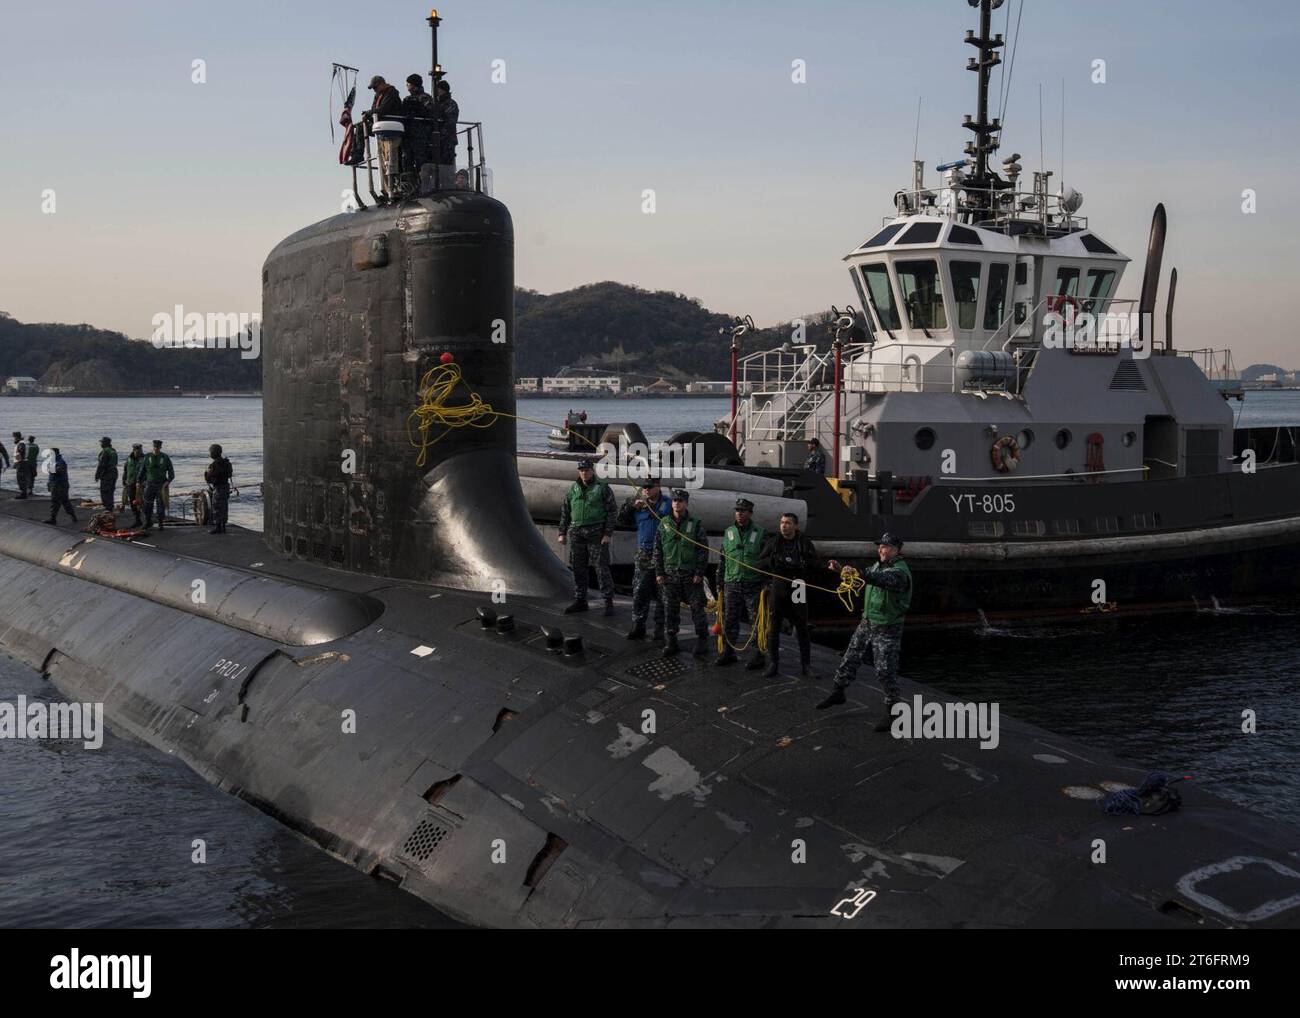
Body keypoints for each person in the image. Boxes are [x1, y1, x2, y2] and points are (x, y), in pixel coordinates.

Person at [817, 532, 914, 731]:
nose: (880, 549)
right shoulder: (879, 565)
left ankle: (894, 711)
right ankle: (838, 691)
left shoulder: (899, 572)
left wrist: (856, 572)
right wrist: (840, 570)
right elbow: (864, 577)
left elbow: (876, 578)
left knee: (885, 670)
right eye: (880, 546)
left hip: (887, 626)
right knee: (850, 657)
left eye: (885, 546)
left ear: (897, 550)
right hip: (868, 621)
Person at [758, 512, 840, 678]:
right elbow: (759, 563)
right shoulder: (773, 543)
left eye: (788, 523)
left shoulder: (804, 543)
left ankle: (806, 665)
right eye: (782, 522)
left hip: (797, 586)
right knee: (773, 627)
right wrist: (772, 563)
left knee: (802, 626)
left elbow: (816, 565)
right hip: (779, 586)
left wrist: (829, 570)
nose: (784, 526)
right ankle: (773, 664)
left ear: (795, 526)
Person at [653, 489, 710, 658]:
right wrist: (659, 572)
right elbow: (658, 550)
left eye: (680, 501)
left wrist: (699, 573)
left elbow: (703, 550)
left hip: (690, 575)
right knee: (670, 609)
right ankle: (671, 641)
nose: (677, 503)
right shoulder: (664, 523)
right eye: (675, 500)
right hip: (670, 575)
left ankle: (702, 640)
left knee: (697, 608)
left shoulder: (695, 524)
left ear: (686, 503)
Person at [557, 458, 617, 615]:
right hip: (577, 533)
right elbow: (565, 511)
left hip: (596, 533)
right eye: (581, 470)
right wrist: (562, 532)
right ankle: (580, 600)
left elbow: (612, 511)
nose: (584, 473)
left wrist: (607, 533)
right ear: (579, 472)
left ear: (592, 471)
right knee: (578, 568)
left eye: (587, 470)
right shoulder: (573, 489)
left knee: (601, 568)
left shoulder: (602, 489)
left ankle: (608, 601)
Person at [617, 476, 672, 642]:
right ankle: (638, 625)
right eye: (645, 487)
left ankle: (659, 628)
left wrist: (647, 507)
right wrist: (631, 506)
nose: (647, 490)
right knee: (640, 590)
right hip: (644, 553)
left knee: (663, 593)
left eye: (650, 487)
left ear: (658, 487)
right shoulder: (637, 503)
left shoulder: (668, 502)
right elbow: (622, 520)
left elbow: (665, 515)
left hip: (664, 554)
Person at [717, 498, 768, 669]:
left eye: (743, 511)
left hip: (753, 583)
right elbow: (722, 559)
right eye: (737, 510)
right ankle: (728, 652)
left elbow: (767, 561)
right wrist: (719, 581)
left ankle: (759, 654)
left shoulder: (760, 533)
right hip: (732, 582)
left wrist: (766, 583)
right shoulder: (729, 532)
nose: (739, 513)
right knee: (730, 619)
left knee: (756, 621)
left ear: (750, 513)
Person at [367, 75, 403, 195]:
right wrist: (369, 113)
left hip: (393, 131)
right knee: (383, 159)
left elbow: (383, 110)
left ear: (382, 84)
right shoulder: (378, 95)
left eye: (375, 87)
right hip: (382, 132)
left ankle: (395, 187)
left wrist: (369, 113)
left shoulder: (391, 92)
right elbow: (374, 110)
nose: (374, 90)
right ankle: (388, 190)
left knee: (391, 158)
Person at [401, 73, 437, 171]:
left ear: (413, 85)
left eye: (408, 84)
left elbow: (430, 113)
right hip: (409, 135)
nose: (407, 86)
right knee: (407, 160)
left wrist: (418, 110)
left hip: (421, 136)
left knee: (421, 162)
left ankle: (422, 182)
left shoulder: (425, 98)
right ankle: (410, 181)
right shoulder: (408, 99)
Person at [139, 439, 175, 531]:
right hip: (149, 484)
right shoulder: (147, 457)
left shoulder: (165, 457)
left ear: (160, 448)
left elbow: (171, 473)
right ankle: (147, 522)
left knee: (161, 505)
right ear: (153, 447)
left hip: (161, 485)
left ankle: (160, 523)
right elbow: (142, 471)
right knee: (147, 504)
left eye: (158, 447)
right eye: (155, 447)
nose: (156, 449)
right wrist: (139, 482)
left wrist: (168, 481)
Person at [205, 443, 233, 534]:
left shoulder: (214, 465)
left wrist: (206, 474)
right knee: (224, 507)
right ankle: (223, 526)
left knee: (216, 507)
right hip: (226, 487)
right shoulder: (227, 463)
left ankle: (218, 527)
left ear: (214, 453)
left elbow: (209, 479)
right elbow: (229, 474)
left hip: (219, 488)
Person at [45, 448, 76, 525]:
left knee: (56, 501)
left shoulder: (60, 462)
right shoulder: (55, 461)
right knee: (65, 501)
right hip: (57, 484)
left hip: (59, 485)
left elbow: (57, 472)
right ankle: (73, 516)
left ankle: (53, 518)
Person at [434, 80, 459, 166]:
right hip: (438, 140)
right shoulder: (437, 103)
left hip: (447, 139)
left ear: (443, 90)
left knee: (446, 164)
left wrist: (441, 134)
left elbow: (450, 123)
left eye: (438, 89)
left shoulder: (451, 104)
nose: (436, 91)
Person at [122, 443, 145, 527]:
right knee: (132, 502)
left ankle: (147, 519)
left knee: (142, 502)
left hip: (141, 485)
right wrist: (124, 479)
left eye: (139, 450)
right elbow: (126, 470)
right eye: (136, 450)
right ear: (133, 450)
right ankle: (137, 519)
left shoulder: (144, 459)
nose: (137, 451)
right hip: (130, 483)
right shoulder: (129, 459)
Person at [94, 436, 118, 511]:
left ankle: (108, 509)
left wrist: (97, 475)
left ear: (105, 443)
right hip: (114, 473)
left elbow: (101, 465)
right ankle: (110, 508)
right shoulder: (113, 450)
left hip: (107, 474)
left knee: (105, 492)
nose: (100, 444)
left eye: (102, 442)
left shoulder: (105, 452)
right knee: (110, 492)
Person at [11, 433, 27, 497]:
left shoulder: (21, 444)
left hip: (21, 463)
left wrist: (17, 462)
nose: (14, 439)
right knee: (21, 478)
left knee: (20, 478)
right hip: (21, 463)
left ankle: (23, 493)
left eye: (14, 438)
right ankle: (23, 492)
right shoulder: (20, 443)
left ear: (17, 437)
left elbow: (20, 453)